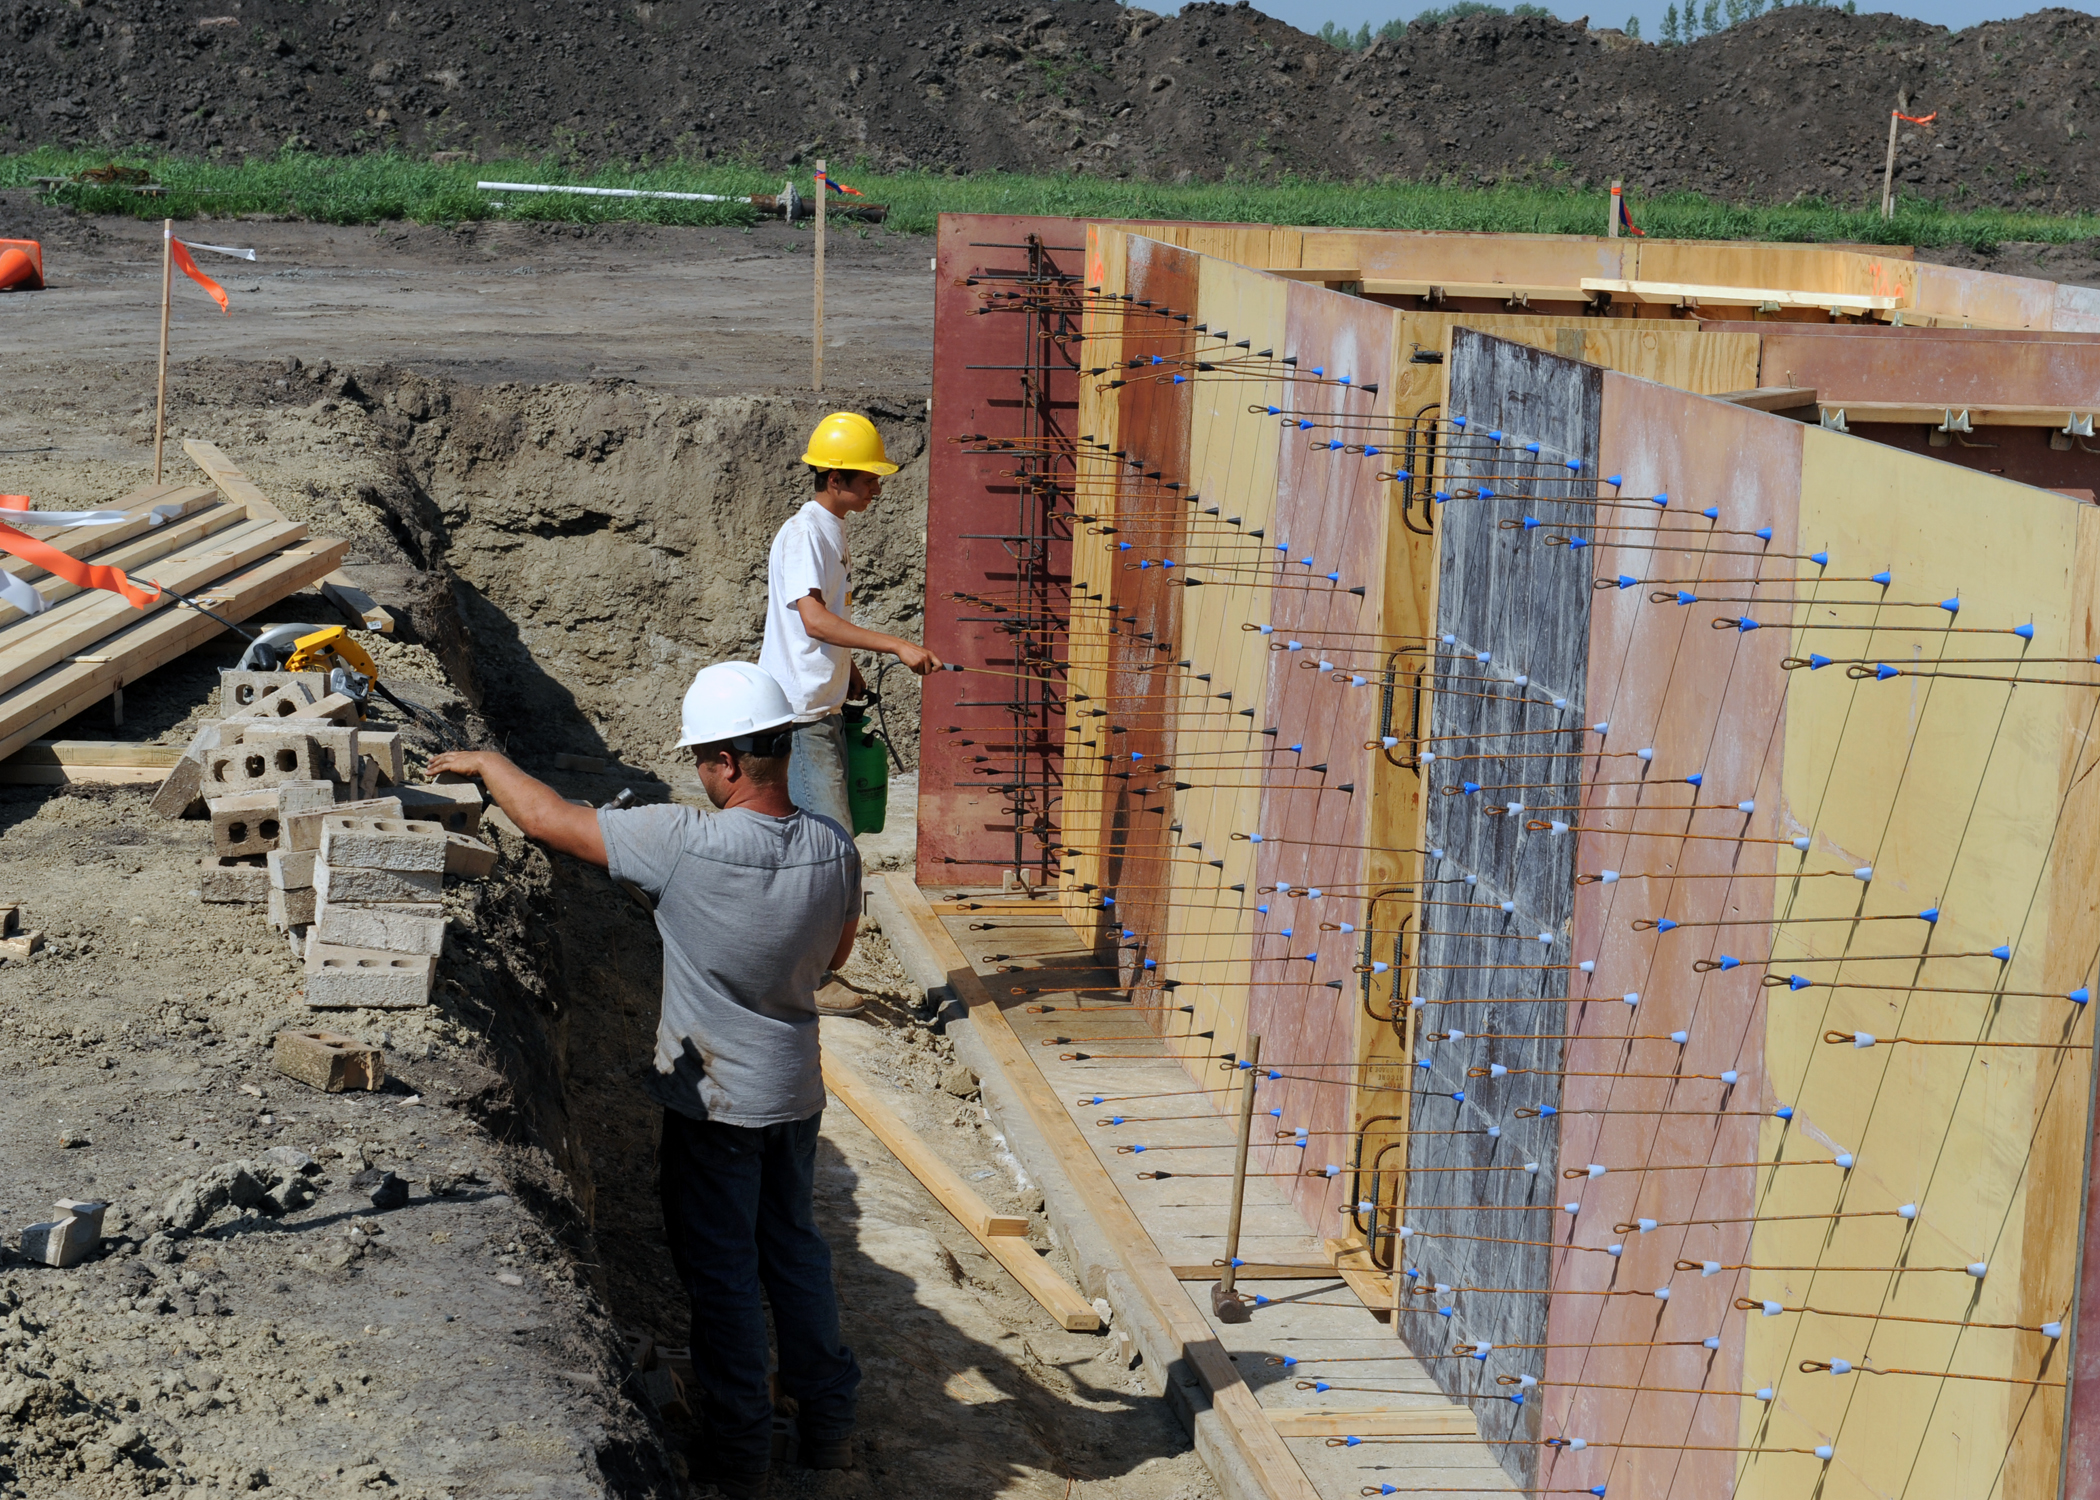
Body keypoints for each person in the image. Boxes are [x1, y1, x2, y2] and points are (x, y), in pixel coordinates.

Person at [428, 661, 861, 1500]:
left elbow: (550, 819)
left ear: (728, 762)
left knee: (724, 1274)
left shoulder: (685, 841)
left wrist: (486, 761)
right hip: (795, 1094)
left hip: (716, 1103)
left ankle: (739, 1451)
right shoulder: (833, 847)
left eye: (701, 759)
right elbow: (833, 957)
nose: (697, 773)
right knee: (796, 1252)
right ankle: (830, 1429)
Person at [759, 410, 943, 836]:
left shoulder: (831, 528)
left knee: (827, 836)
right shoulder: (804, 533)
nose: (877, 488)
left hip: (824, 708)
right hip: (801, 716)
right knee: (830, 838)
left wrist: (848, 667)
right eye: (869, 479)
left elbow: (823, 619)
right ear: (835, 479)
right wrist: (896, 644)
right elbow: (814, 620)